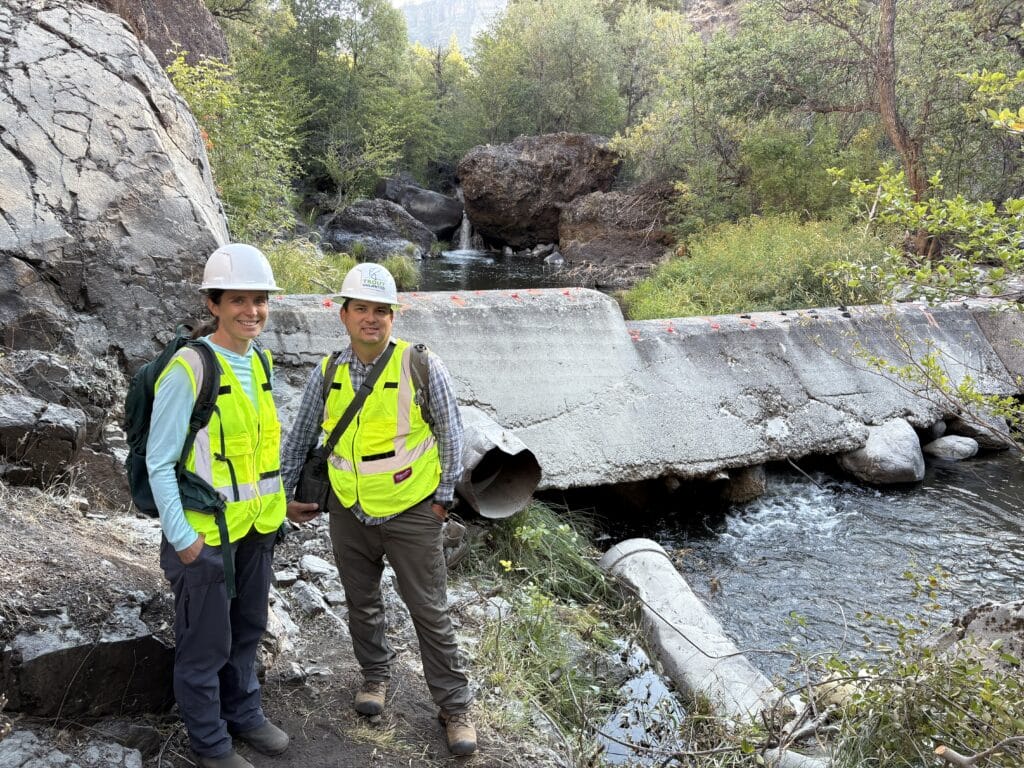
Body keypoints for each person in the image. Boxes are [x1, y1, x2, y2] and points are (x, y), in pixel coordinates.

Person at [282, 262, 477, 756]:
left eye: (381, 311)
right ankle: (374, 677)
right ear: (343, 314)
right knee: (361, 601)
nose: (371, 319)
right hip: (349, 508)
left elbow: (452, 435)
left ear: (394, 316)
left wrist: (442, 501)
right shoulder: (327, 371)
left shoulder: (419, 363)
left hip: (412, 509)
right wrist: (288, 493)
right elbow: (302, 435)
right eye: (361, 309)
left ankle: (454, 707)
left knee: (429, 610)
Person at [148, 243, 290, 768]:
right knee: (205, 644)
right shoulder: (190, 368)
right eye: (238, 300)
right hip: (204, 537)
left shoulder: (262, 361)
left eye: (260, 300)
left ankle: (244, 713)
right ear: (213, 304)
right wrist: (183, 537)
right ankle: (210, 744)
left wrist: (281, 509)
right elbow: (160, 463)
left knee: (248, 627)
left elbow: (255, 454)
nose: (252, 311)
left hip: (255, 529)